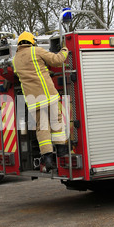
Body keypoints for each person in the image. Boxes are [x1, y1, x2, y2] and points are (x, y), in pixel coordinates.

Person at [12, 31, 69, 172]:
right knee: (56, 120)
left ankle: (48, 157)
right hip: (48, 95)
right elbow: (57, 60)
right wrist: (65, 49)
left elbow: (27, 74)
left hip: (32, 100)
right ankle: (61, 150)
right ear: (31, 42)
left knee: (42, 127)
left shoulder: (15, 60)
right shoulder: (36, 51)